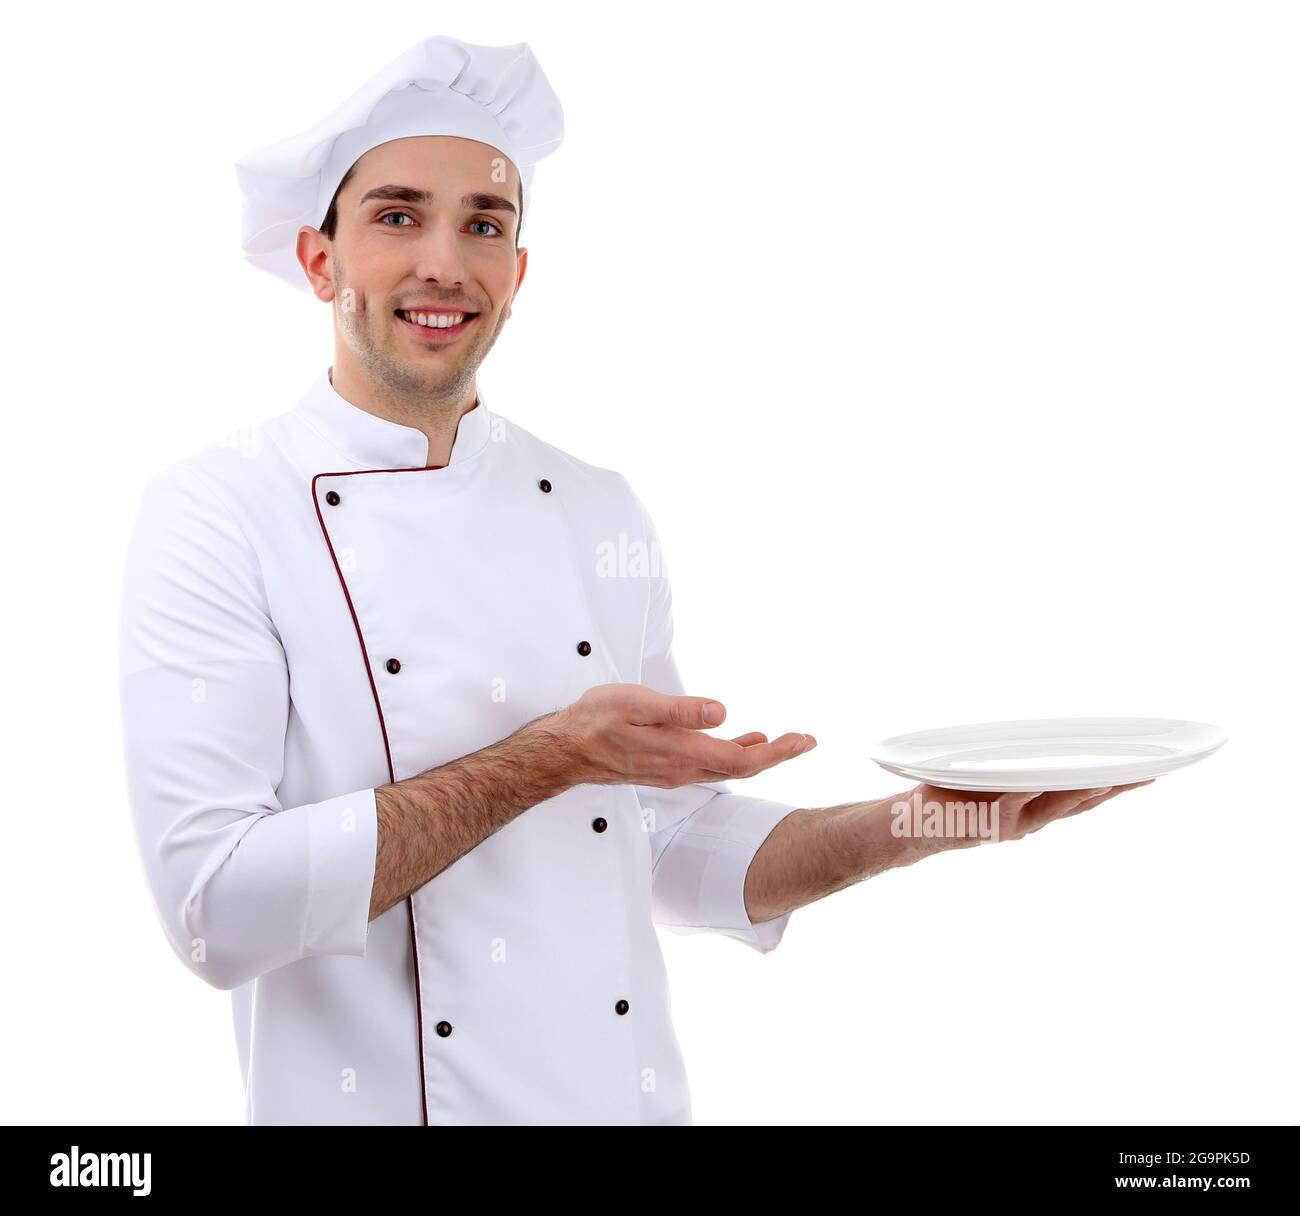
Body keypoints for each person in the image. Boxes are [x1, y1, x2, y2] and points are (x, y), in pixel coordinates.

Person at [117, 34, 1152, 1125]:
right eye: (395, 215)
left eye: (484, 223)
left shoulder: (597, 506)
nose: (444, 261)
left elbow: (661, 846)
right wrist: (552, 757)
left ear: (518, 272)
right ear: (318, 261)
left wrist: (934, 821)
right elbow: (217, 910)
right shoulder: (217, 509)